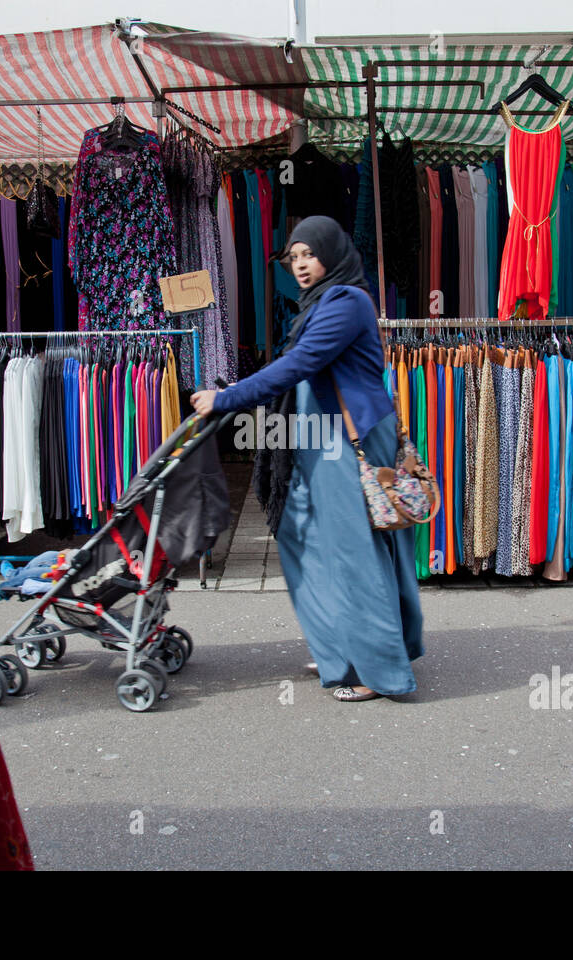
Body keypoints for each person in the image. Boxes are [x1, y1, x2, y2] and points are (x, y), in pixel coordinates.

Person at [191, 216, 424, 702]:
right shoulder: (320, 303)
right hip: (323, 439)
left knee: (354, 552)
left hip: (350, 438)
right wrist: (236, 388)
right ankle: (344, 644)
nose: (299, 264)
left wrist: (228, 401)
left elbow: (300, 364)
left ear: (332, 254)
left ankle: (375, 670)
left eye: (308, 254)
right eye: (293, 257)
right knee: (303, 536)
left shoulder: (346, 302)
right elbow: (297, 369)